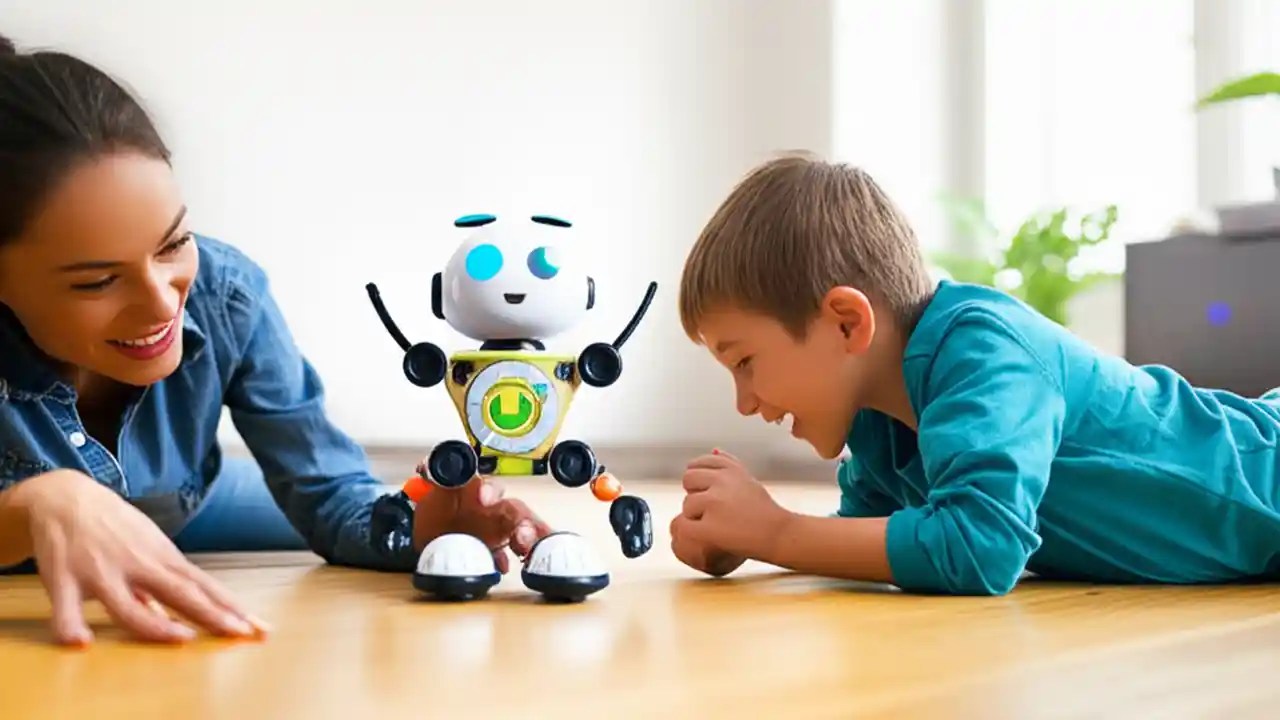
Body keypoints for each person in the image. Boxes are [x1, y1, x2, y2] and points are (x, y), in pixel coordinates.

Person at [0, 35, 551, 646]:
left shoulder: (228, 295)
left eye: (174, 244)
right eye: (99, 280)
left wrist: (419, 528)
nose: (163, 304)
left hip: (187, 503)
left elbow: (329, 497)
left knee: (373, 504)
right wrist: (34, 507)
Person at [669, 152, 1280, 594]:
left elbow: (977, 548)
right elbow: (871, 542)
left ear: (848, 324)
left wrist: (775, 532)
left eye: (744, 362)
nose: (745, 403)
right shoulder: (879, 423)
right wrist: (750, 538)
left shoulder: (984, 350)